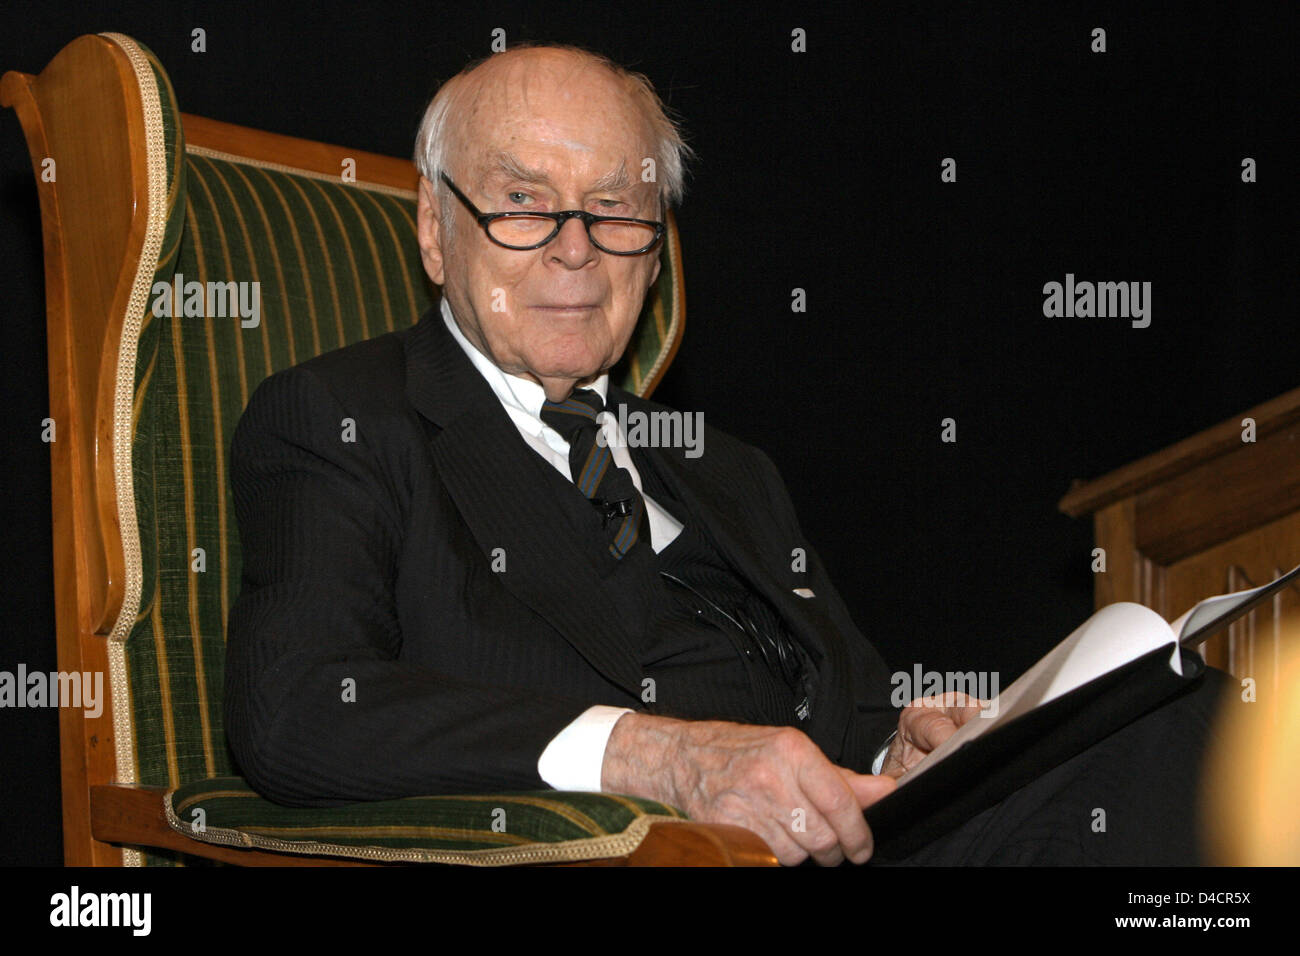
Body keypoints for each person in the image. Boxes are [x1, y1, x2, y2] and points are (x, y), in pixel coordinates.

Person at [224, 43, 1228, 866]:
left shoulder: (721, 467)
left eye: (617, 208)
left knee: (1189, 717)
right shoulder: (343, 418)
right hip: (639, 856)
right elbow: (298, 703)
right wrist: (662, 756)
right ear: (437, 232)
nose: (576, 249)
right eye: (524, 202)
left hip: (867, 846)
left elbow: (853, 706)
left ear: (653, 248)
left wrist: (904, 743)